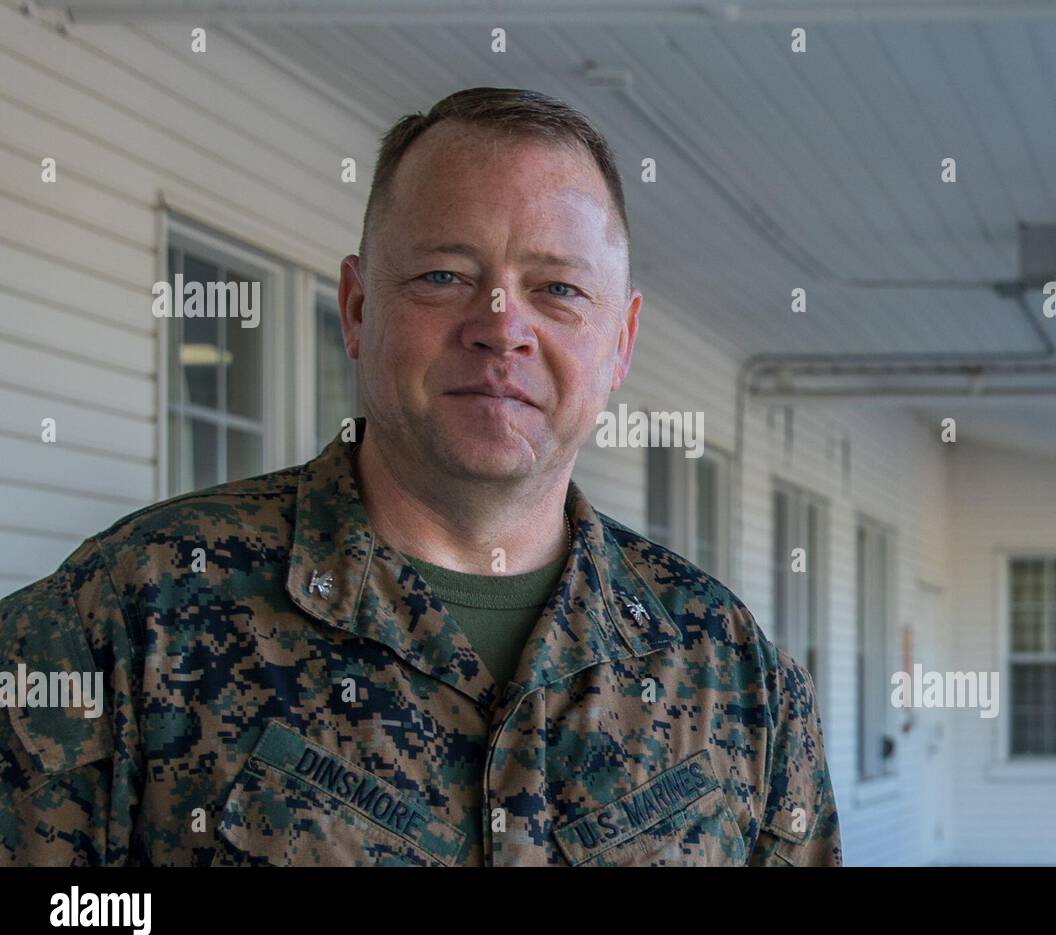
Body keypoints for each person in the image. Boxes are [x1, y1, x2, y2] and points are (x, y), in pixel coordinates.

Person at [0, 87, 841, 866]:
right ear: (359, 308)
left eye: (556, 288)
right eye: (446, 276)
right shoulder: (123, 616)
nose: (501, 328)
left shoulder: (730, 670)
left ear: (620, 341)